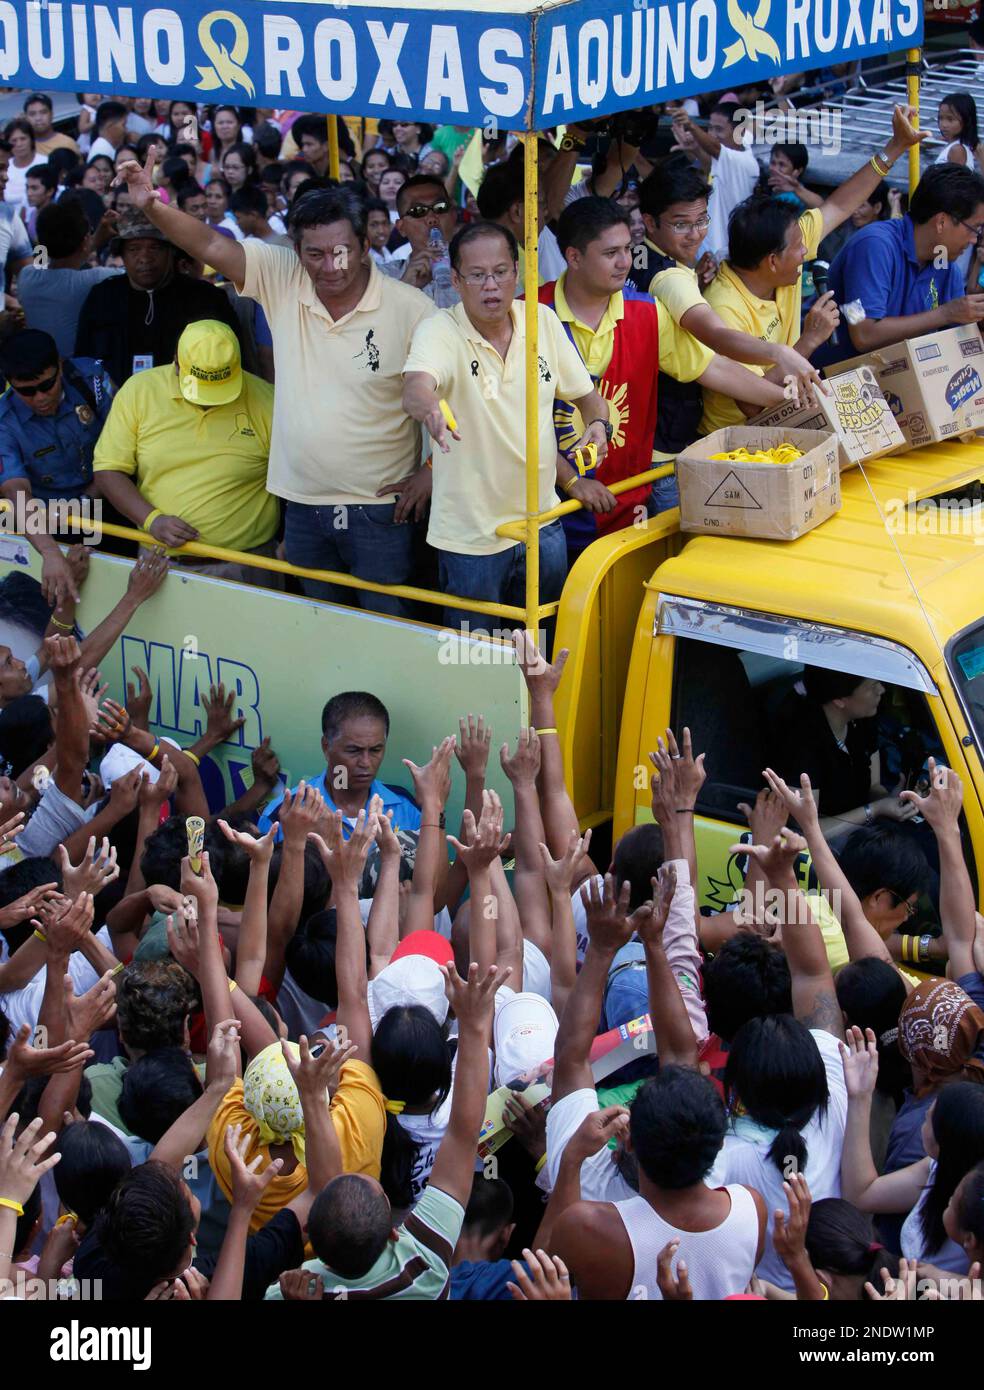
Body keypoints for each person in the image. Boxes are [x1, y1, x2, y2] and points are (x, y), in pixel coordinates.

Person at [114, 152, 436, 615]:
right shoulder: (282, 277)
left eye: (342, 250)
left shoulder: (412, 309)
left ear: (366, 245)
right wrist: (152, 206)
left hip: (381, 512)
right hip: (301, 507)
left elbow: (449, 397)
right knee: (317, 624)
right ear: (296, 251)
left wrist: (428, 472)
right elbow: (209, 244)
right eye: (315, 254)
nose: (330, 265)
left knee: (388, 625)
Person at [402, 221, 611, 630]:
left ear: (517, 272)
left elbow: (588, 397)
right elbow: (415, 387)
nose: (491, 286)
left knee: (543, 645)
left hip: (542, 525)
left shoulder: (541, 320)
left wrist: (599, 425)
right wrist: (430, 410)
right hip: (471, 540)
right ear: (457, 281)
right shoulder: (439, 330)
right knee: (476, 657)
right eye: (477, 276)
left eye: (500, 272)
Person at [542, 198, 788, 537]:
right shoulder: (529, 314)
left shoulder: (648, 313)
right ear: (574, 256)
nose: (625, 262)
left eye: (629, 249)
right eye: (611, 253)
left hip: (627, 507)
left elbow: (712, 368)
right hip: (545, 512)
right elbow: (507, 419)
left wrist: (787, 400)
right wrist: (570, 480)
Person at [639, 161, 824, 460]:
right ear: (649, 222)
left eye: (702, 220)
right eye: (680, 224)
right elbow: (716, 337)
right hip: (664, 444)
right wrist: (782, 353)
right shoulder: (670, 278)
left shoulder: (636, 257)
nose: (695, 234)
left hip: (649, 433)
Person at [92, 319, 279, 581]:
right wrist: (152, 520)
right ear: (176, 363)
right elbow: (108, 470)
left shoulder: (268, 401)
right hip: (160, 561)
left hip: (247, 563)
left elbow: (301, 482)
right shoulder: (139, 392)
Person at [819, 162, 984, 367]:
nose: (974, 241)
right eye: (974, 229)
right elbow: (863, 334)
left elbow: (960, 343)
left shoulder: (945, 266)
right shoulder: (874, 246)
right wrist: (944, 313)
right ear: (941, 222)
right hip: (831, 386)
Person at [0, 329, 114, 602]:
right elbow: (15, 490)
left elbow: (124, 444)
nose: (39, 397)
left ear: (60, 366)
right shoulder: (4, 422)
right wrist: (50, 552)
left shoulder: (92, 379)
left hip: (108, 500)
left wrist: (89, 498)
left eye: (47, 385)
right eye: (26, 391)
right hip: (45, 522)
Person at [73, 207, 242, 386]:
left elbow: (233, 361)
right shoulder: (102, 297)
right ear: (121, 254)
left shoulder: (205, 299)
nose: (145, 258)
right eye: (134, 249)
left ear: (172, 252)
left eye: (155, 248)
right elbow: (84, 363)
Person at [256, 690, 422, 836]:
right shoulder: (284, 815)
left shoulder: (405, 808)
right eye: (354, 751)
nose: (365, 763)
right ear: (326, 747)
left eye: (375, 750)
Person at [773, 668, 918, 834]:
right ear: (840, 700)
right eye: (872, 686)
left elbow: (874, 786)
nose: (882, 690)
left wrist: (891, 801)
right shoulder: (802, 744)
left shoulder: (862, 722)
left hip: (862, 831)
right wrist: (875, 809)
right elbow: (808, 828)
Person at [16, 200, 123, 357]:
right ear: (85, 241)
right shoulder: (95, 279)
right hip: (77, 374)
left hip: (39, 364)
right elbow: (137, 271)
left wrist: (90, 241)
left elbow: (45, 257)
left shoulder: (27, 277)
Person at [670, 104, 760, 262]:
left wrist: (690, 125)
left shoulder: (742, 161)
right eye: (710, 128)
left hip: (724, 256)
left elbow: (713, 147)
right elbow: (711, 168)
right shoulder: (737, 147)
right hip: (708, 251)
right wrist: (695, 150)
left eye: (719, 129)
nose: (712, 134)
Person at [476, 158, 567, 290]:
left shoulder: (472, 248)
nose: (546, 211)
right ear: (517, 211)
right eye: (541, 204)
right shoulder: (512, 262)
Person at [377, 174, 460, 306]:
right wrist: (405, 286)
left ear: (453, 216)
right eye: (418, 211)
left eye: (440, 207)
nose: (432, 218)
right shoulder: (382, 278)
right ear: (401, 227)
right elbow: (371, 325)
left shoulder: (476, 271)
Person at [23, 94, 80, 159]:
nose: (38, 118)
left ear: (51, 114)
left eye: (43, 112)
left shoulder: (66, 144)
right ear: (26, 117)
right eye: (32, 114)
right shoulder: (21, 146)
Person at [936, 92, 979, 166]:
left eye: (950, 119)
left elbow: (955, 177)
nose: (944, 124)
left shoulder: (957, 150)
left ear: (966, 120)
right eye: (941, 118)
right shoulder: (954, 146)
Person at [23, 165, 58, 242]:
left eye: (34, 188)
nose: (29, 193)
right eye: (27, 187)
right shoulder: (33, 214)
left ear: (50, 191)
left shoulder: (58, 218)